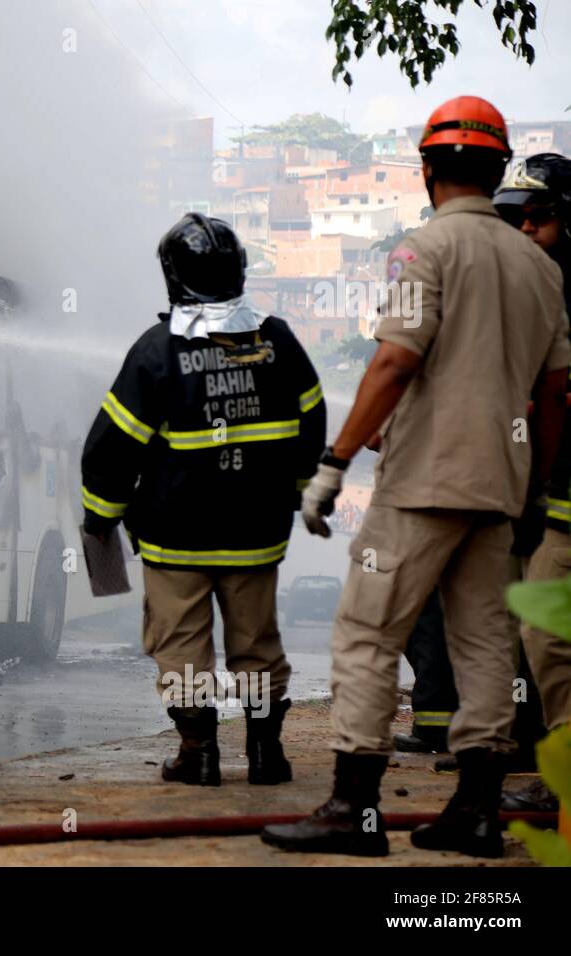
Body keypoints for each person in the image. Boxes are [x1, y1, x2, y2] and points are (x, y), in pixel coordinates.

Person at [260, 96, 570, 858]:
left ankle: (353, 810)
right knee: (484, 647)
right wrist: (529, 484)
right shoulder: (538, 266)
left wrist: (335, 463)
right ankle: (477, 811)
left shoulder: (423, 252)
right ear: (496, 170)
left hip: (424, 482)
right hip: (500, 488)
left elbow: (395, 359)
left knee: (366, 632)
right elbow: (556, 392)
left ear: (428, 169)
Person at [81, 213, 325, 787]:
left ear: (172, 275)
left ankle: (199, 753)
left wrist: (101, 517)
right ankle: (267, 754)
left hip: (177, 538)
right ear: (238, 270)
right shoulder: (278, 341)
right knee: (257, 643)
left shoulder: (158, 351)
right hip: (256, 533)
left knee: (182, 647)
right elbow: (310, 423)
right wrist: (289, 493)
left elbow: (111, 449)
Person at [493, 151, 571, 813]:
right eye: (514, 219)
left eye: (538, 219)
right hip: (551, 505)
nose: (525, 232)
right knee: (545, 640)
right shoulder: (524, 295)